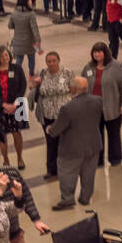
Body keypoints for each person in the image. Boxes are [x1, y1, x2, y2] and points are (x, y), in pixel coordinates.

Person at [46, 76, 103, 209]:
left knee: (67, 173)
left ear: (73, 89)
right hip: (93, 144)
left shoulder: (68, 108)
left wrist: (49, 129)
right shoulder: (98, 101)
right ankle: (85, 198)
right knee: (89, 173)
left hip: (72, 148)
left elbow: (56, 130)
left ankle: (67, 199)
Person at [82, 43, 122, 167]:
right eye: (95, 52)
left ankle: (115, 159)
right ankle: (98, 160)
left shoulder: (116, 66)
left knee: (114, 135)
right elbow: (82, 86)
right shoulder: (88, 67)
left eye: (99, 51)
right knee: (97, 137)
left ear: (105, 52)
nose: (97, 54)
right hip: (94, 110)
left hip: (112, 108)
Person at [31, 51, 74, 179]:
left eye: (54, 61)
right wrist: (35, 83)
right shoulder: (43, 73)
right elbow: (33, 89)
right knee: (51, 142)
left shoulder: (67, 73)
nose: (51, 64)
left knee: (65, 142)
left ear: (58, 60)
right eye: (49, 61)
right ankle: (51, 169)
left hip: (63, 114)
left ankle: (66, 167)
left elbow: (73, 91)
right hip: (47, 114)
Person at [0, 46, 30, 170]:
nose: (5, 57)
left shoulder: (17, 68)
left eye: (6, 55)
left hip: (17, 106)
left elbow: (23, 85)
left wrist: (15, 104)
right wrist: (4, 105)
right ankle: (6, 159)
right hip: (0, 108)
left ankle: (20, 157)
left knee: (17, 132)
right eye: (2, 56)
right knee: (2, 135)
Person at [8, 0, 43, 77]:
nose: (30, 2)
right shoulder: (31, 14)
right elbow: (34, 29)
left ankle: (18, 74)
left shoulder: (14, 14)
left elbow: (10, 26)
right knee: (31, 58)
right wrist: (38, 41)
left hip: (17, 41)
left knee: (19, 59)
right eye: (29, 1)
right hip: (30, 42)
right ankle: (31, 73)